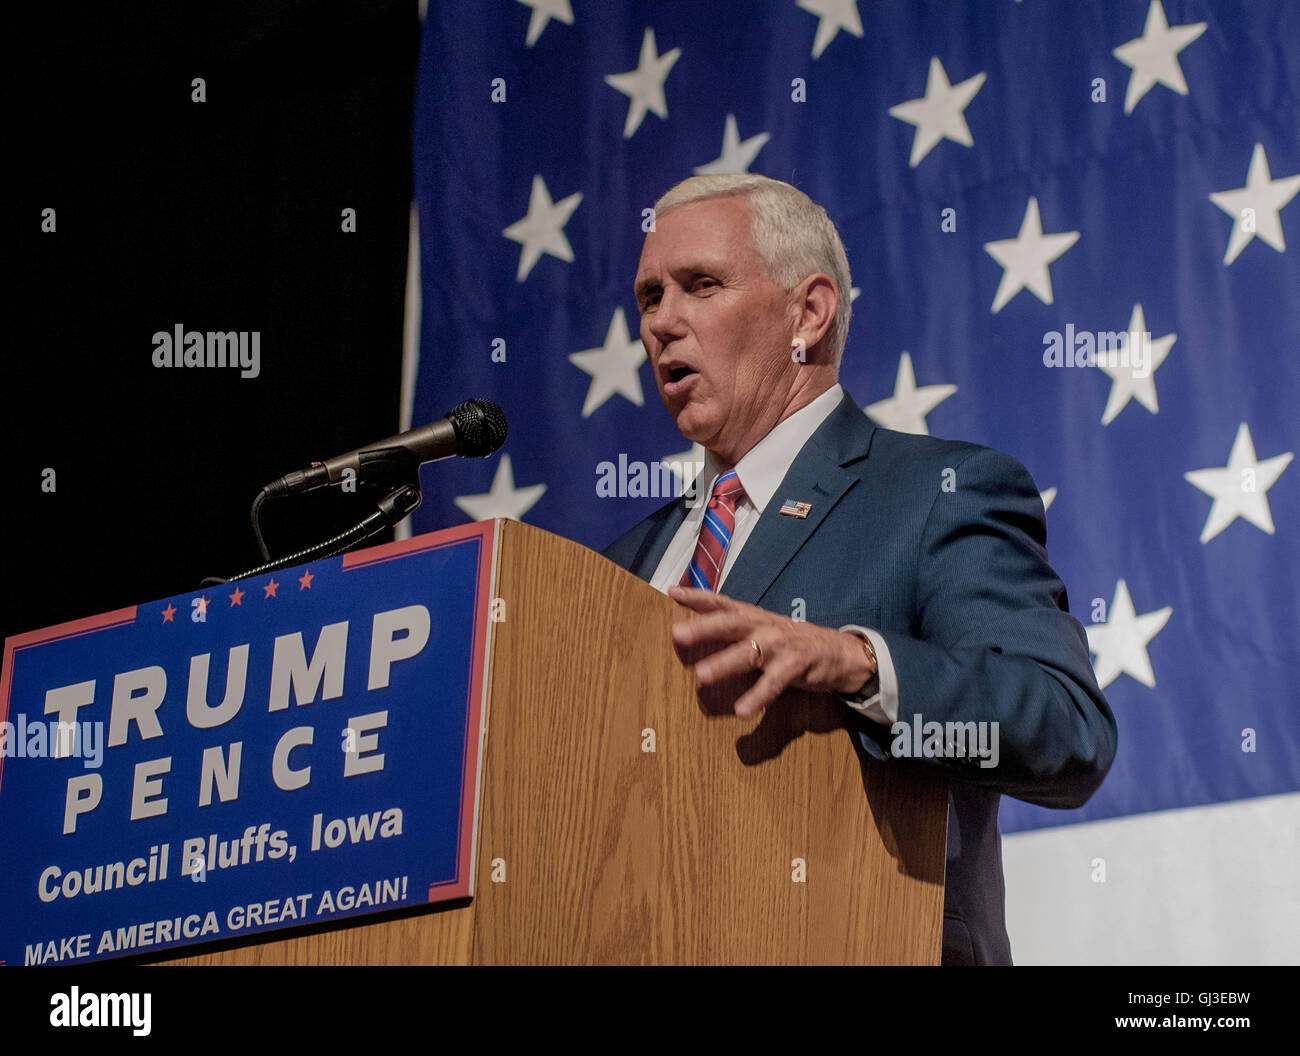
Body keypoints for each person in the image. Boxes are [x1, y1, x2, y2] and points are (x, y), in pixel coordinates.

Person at [601, 173, 1117, 965]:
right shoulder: (617, 566)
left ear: (808, 312)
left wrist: (858, 663)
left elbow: (1065, 730)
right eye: (648, 297)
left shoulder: (935, 494)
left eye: (700, 285)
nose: (663, 321)